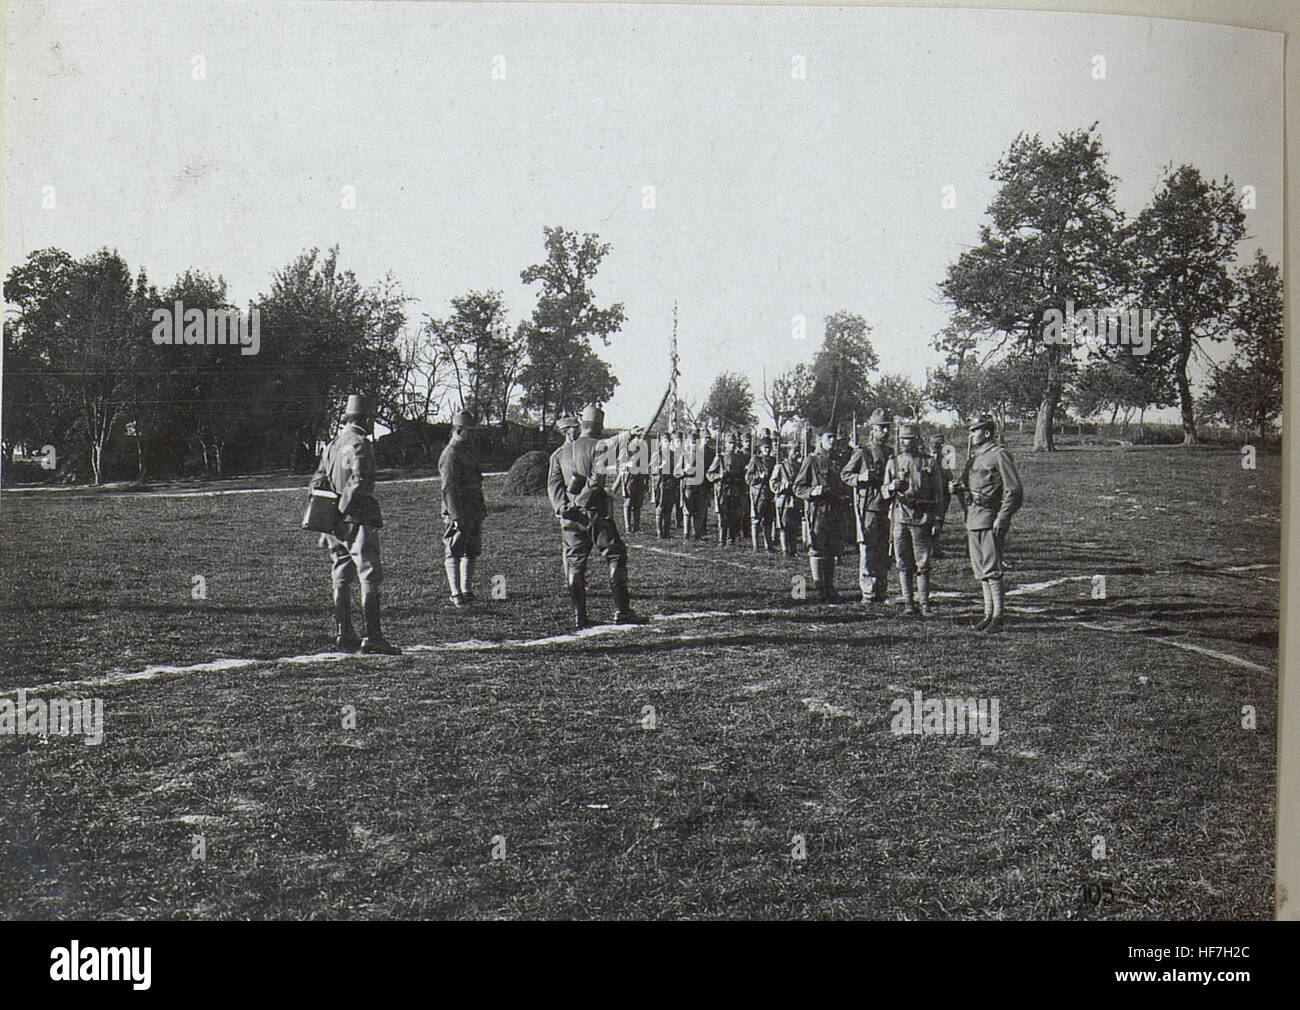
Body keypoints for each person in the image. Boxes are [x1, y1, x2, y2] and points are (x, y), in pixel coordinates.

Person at [312, 394, 400, 654]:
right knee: (369, 574)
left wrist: (327, 516)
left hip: (334, 522)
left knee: (341, 574)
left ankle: (344, 633)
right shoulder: (360, 443)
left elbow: (318, 481)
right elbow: (359, 481)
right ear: (366, 418)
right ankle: (372, 636)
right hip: (357, 517)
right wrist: (342, 510)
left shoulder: (333, 445)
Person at [549, 404, 646, 629]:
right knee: (615, 555)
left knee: (575, 563)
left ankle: (579, 616)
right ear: (600, 426)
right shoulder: (599, 447)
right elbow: (596, 481)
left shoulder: (560, 453)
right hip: (594, 513)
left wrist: (563, 506)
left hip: (570, 517)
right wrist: (580, 503)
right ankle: (622, 610)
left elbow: (553, 484)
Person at [952, 415, 1023, 633]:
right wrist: (957, 488)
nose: (971, 435)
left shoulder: (999, 455)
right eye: (971, 431)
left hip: (990, 517)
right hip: (974, 516)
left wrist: (1002, 517)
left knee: (992, 568)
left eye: (975, 431)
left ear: (987, 433)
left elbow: (1014, 490)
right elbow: (967, 484)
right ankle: (988, 613)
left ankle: (998, 615)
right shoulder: (974, 457)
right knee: (981, 569)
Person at [881, 422, 943, 617]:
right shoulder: (894, 463)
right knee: (902, 561)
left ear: (918, 441)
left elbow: (939, 494)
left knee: (923, 563)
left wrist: (938, 520)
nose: (906, 442)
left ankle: (925, 603)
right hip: (900, 517)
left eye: (910, 439)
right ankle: (908, 602)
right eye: (903, 439)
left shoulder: (929, 463)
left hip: (922, 517)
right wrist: (891, 487)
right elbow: (883, 492)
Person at [840, 408, 892, 605]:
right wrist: (860, 478)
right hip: (868, 507)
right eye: (881, 428)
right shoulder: (863, 452)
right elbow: (845, 475)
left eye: (887, 428)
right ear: (873, 430)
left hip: (887, 507)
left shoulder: (890, 453)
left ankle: (882, 590)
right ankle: (868, 592)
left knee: (884, 550)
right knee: (867, 550)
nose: (885, 432)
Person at [793, 425, 850, 602]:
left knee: (832, 549)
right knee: (817, 549)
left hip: (835, 510)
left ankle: (830, 587)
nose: (833, 441)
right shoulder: (811, 460)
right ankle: (819, 588)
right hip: (818, 510)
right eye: (829, 437)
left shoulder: (837, 461)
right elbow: (798, 487)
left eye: (834, 437)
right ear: (819, 439)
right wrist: (812, 492)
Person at [438, 410, 484, 608]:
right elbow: (448, 488)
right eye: (469, 431)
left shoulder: (466, 451)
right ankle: (455, 593)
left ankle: (467, 590)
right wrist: (455, 515)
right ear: (458, 430)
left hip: (473, 508)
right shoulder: (450, 454)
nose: (473, 436)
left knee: (471, 550)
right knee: (454, 549)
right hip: (459, 508)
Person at [548, 413, 581, 571]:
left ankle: (579, 576)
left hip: (590, 504)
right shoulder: (558, 455)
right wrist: (561, 506)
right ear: (567, 432)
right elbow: (554, 483)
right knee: (571, 545)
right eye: (575, 428)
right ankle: (572, 579)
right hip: (570, 506)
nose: (579, 430)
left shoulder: (588, 449)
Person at [708, 432, 748, 546]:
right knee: (723, 516)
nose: (732, 446)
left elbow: (743, 475)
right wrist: (719, 476)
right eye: (730, 443)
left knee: (734, 516)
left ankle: (731, 539)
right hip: (723, 490)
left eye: (734, 443)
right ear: (725, 444)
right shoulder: (720, 458)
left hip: (735, 490)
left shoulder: (739, 458)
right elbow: (709, 474)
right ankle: (722, 539)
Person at [769, 441, 803, 557]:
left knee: (794, 526)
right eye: (794, 451)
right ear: (789, 452)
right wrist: (783, 486)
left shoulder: (798, 466)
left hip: (795, 500)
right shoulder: (780, 466)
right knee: (784, 526)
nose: (796, 453)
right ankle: (785, 551)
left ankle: (793, 550)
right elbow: (772, 483)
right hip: (783, 500)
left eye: (798, 451)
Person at [746, 438, 777, 553]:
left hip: (770, 494)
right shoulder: (755, 461)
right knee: (756, 519)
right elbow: (748, 478)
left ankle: (768, 545)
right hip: (758, 494)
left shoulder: (774, 461)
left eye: (769, 448)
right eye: (765, 448)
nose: (767, 450)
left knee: (769, 520)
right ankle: (756, 546)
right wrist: (759, 476)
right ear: (761, 449)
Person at [617, 427, 650, 534]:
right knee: (628, 500)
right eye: (638, 435)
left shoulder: (644, 446)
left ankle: (636, 527)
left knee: (638, 502)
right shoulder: (627, 446)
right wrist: (628, 465)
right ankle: (628, 527)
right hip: (630, 476)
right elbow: (620, 462)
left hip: (640, 476)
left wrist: (646, 477)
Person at [680, 430, 711, 542]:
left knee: (699, 510)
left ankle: (696, 534)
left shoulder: (703, 455)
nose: (694, 445)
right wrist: (684, 471)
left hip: (701, 486)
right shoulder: (684, 455)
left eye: (695, 443)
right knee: (688, 510)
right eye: (692, 442)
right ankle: (686, 535)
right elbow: (676, 472)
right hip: (689, 485)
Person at [927, 433, 953, 559]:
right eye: (937, 444)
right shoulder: (926, 458)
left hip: (943, 494)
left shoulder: (944, 459)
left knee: (939, 520)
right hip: (930, 495)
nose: (939, 446)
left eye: (941, 444)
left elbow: (949, 475)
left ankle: (935, 548)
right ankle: (929, 548)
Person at [649, 431, 679, 540]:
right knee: (660, 507)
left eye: (668, 441)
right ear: (661, 442)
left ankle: (667, 532)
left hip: (670, 483)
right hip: (660, 483)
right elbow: (652, 470)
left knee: (669, 508)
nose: (666, 443)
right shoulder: (657, 454)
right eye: (665, 441)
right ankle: (659, 532)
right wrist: (661, 466)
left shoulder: (672, 454)